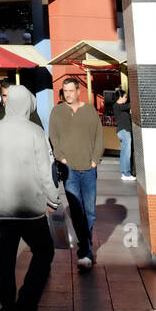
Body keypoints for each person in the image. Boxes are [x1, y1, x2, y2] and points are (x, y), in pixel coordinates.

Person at [0, 85, 59, 311]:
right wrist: (52, 199)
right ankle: (27, 299)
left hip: (2, 208)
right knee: (44, 251)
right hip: (30, 208)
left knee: (5, 262)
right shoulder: (35, 132)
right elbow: (47, 171)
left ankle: (8, 308)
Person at [49, 76, 104, 269]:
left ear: (78, 91)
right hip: (69, 169)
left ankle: (85, 246)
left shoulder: (89, 111)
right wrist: (62, 158)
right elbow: (53, 138)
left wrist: (95, 159)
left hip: (89, 169)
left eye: (71, 91)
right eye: (65, 92)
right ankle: (86, 251)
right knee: (77, 210)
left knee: (90, 211)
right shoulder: (57, 112)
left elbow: (99, 137)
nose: (68, 95)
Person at [111, 87, 135, 181]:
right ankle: (127, 173)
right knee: (126, 153)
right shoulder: (117, 106)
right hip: (124, 132)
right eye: (125, 97)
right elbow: (128, 106)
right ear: (120, 97)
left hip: (124, 132)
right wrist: (134, 101)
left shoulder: (121, 108)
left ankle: (124, 173)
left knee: (124, 153)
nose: (126, 98)